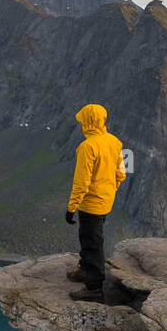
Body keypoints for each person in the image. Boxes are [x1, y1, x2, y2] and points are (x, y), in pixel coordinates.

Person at [64, 103, 125, 302]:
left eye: (82, 121)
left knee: (92, 244)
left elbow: (82, 182)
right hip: (106, 200)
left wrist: (72, 207)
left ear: (88, 122)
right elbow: (121, 174)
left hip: (91, 204)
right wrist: (109, 191)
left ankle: (94, 288)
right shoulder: (114, 141)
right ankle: (84, 268)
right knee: (89, 238)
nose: (80, 124)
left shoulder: (87, 147)